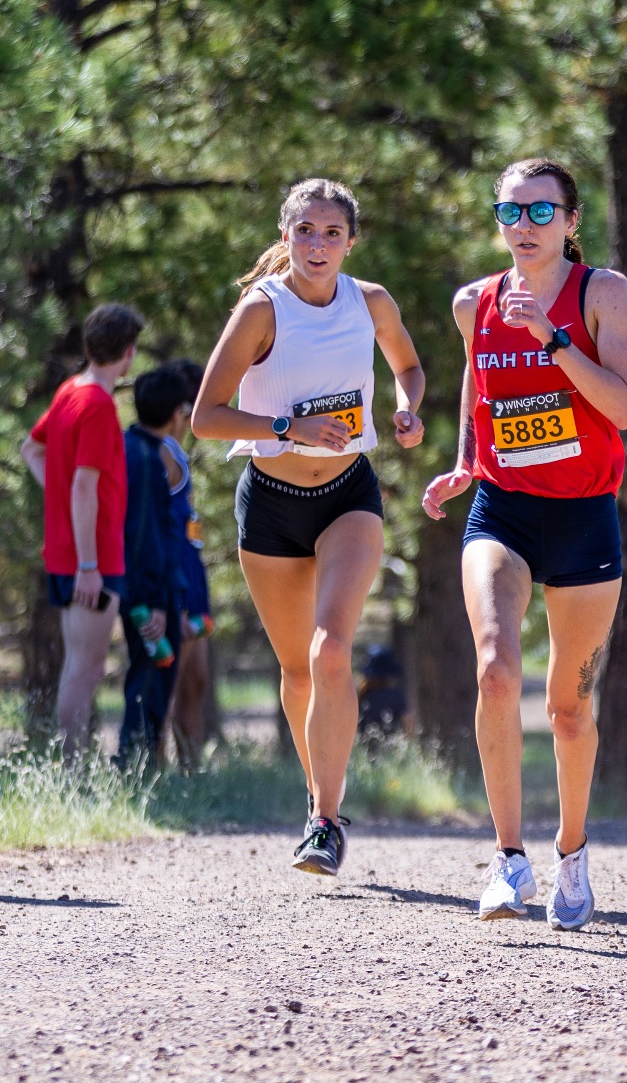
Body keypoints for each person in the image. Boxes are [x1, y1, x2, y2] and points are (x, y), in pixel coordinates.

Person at [423, 157, 627, 929]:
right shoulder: (473, 301)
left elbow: (621, 406)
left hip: (584, 517)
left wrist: (549, 337)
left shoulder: (601, 293)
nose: (523, 225)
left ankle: (571, 854)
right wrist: (462, 460)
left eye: (541, 212)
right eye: (510, 211)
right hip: (503, 511)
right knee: (493, 668)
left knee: (569, 708)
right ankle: (508, 860)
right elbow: (475, 382)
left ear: (572, 223)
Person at [192, 179, 425, 877]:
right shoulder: (261, 311)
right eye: (305, 231)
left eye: (332, 233)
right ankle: (316, 795)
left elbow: (409, 366)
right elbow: (207, 415)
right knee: (298, 668)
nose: (318, 245)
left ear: (351, 241)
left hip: (349, 494)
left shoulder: (372, 300)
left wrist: (408, 407)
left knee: (331, 651)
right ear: (285, 235)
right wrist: (288, 426)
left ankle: (326, 818)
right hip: (269, 500)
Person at [22, 302, 144, 764]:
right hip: (90, 560)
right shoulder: (95, 404)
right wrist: (90, 566)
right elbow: (83, 484)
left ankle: (70, 769)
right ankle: (71, 773)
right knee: (85, 669)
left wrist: (60, 498)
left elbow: (31, 449)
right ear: (128, 352)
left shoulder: (70, 390)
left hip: (69, 554)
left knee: (81, 667)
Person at [117, 366, 191, 769]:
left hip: (141, 589)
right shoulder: (147, 460)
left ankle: (138, 769)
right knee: (150, 682)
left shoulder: (129, 445)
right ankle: (133, 772)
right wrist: (154, 602)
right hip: (149, 595)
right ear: (177, 413)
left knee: (145, 678)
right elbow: (145, 536)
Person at [158, 358, 215, 769]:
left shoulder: (176, 449)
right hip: (172, 579)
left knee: (195, 681)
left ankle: (192, 771)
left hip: (192, 576)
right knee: (167, 677)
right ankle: (153, 769)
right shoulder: (156, 452)